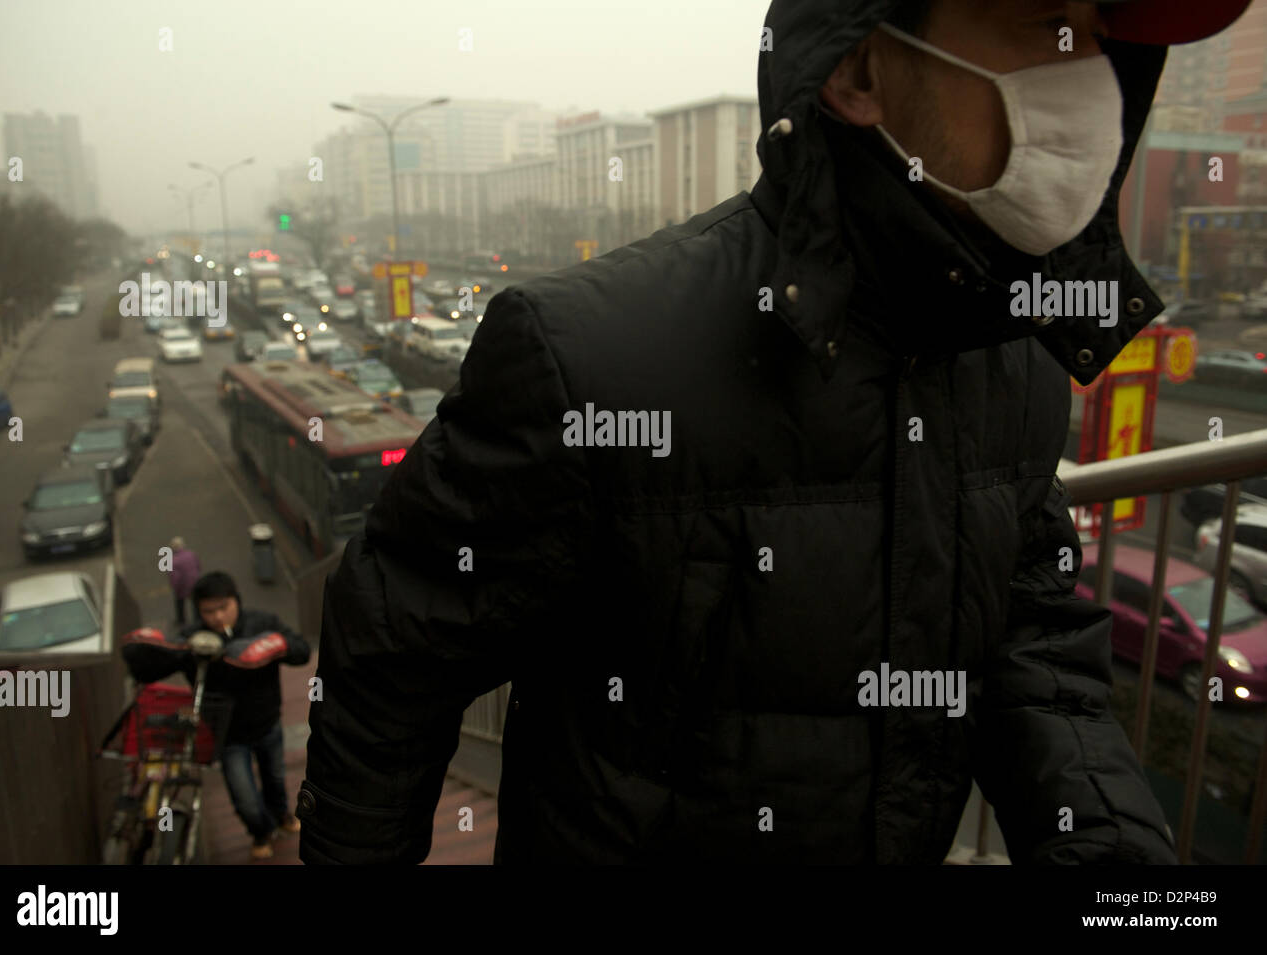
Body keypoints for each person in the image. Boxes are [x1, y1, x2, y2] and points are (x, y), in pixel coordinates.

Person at [297, 0, 1250, 864]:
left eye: (1090, 32)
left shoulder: (1014, 353)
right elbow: (391, 656)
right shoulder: (589, 355)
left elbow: (1028, 636)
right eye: (1038, 20)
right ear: (860, 71)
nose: (1082, 73)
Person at [183, 571, 311, 860]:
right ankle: (260, 832)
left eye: (223, 607)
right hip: (227, 733)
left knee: (275, 779)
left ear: (236, 601)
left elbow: (301, 650)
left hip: (267, 722)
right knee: (244, 797)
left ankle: (282, 817)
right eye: (208, 611)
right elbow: (163, 659)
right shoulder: (194, 639)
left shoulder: (262, 623)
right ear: (198, 612)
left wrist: (275, 647)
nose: (217, 617)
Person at [168, 536, 201, 626]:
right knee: (196, 602)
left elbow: (174, 577)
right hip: (195, 582)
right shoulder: (191, 554)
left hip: (182, 586)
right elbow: (198, 566)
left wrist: (175, 587)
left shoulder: (173, 561)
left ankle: (181, 620)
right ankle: (198, 619)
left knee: (179, 602)